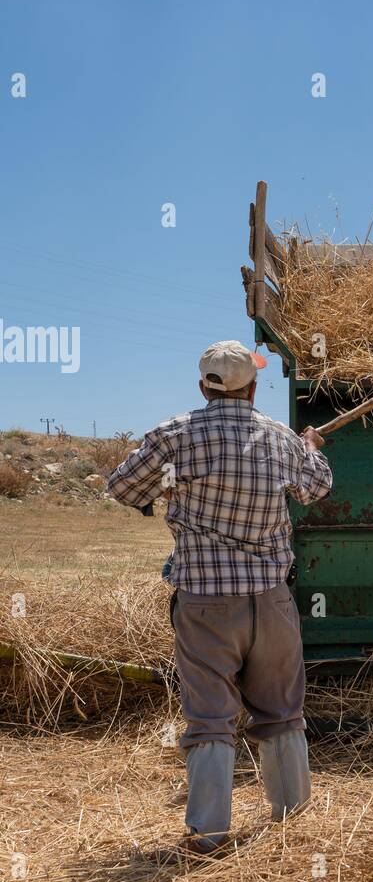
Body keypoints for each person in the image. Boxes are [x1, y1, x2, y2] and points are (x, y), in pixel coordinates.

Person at [107, 340, 332, 853]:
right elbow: (317, 487)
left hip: (205, 600)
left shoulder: (174, 436)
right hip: (272, 599)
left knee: (210, 717)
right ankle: (293, 823)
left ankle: (208, 835)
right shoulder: (279, 439)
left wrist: (167, 490)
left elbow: (123, 489)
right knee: (281, 711)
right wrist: (310, 446)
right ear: (253, 387)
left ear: (203, 386)